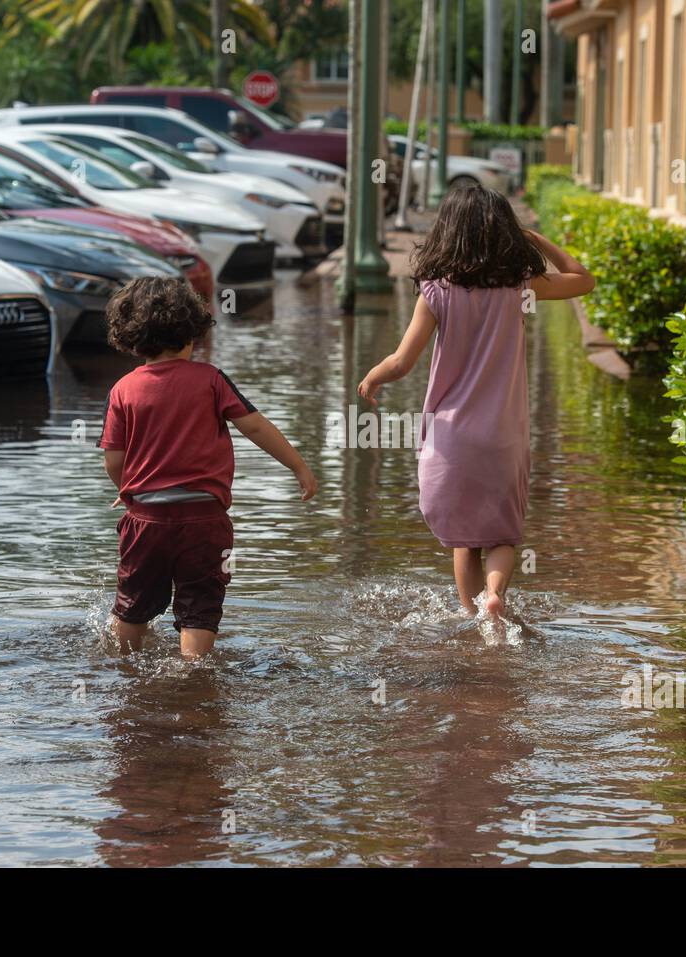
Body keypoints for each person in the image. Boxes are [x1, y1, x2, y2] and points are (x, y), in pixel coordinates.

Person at [357, 184, 594, 619]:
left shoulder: (436, 292)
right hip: (503, 437)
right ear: (506, 233)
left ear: (447, 231)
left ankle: (472, 618)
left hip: (450, 439)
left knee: (464, 539)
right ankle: (496, 597)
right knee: (503, 535)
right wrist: (536, 239)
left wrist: (374, 376)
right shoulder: (521, 286)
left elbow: (401, 362)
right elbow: (583, 279)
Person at [100, 277, 317, 657]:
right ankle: (192, 675)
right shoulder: (211, 379)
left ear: (131, 336)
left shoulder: (123, 389)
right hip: (205, 519)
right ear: (191, 332)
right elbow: (254, 425)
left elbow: (113, 457)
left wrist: (127, 489)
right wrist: (299, 467)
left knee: (133, 603)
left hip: (146, 519)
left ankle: (124, 669)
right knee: (200, 605)